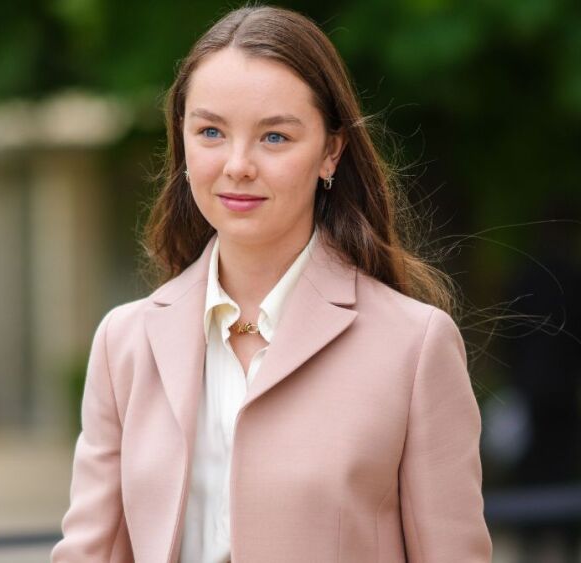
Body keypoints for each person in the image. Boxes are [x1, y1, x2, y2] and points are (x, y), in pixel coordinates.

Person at [52, 5, 491, 562]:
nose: (237, 164)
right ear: (181, 144)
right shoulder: (125, 344)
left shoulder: (414, 345)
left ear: (331, 151)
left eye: (275, 137)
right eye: (210, 131)